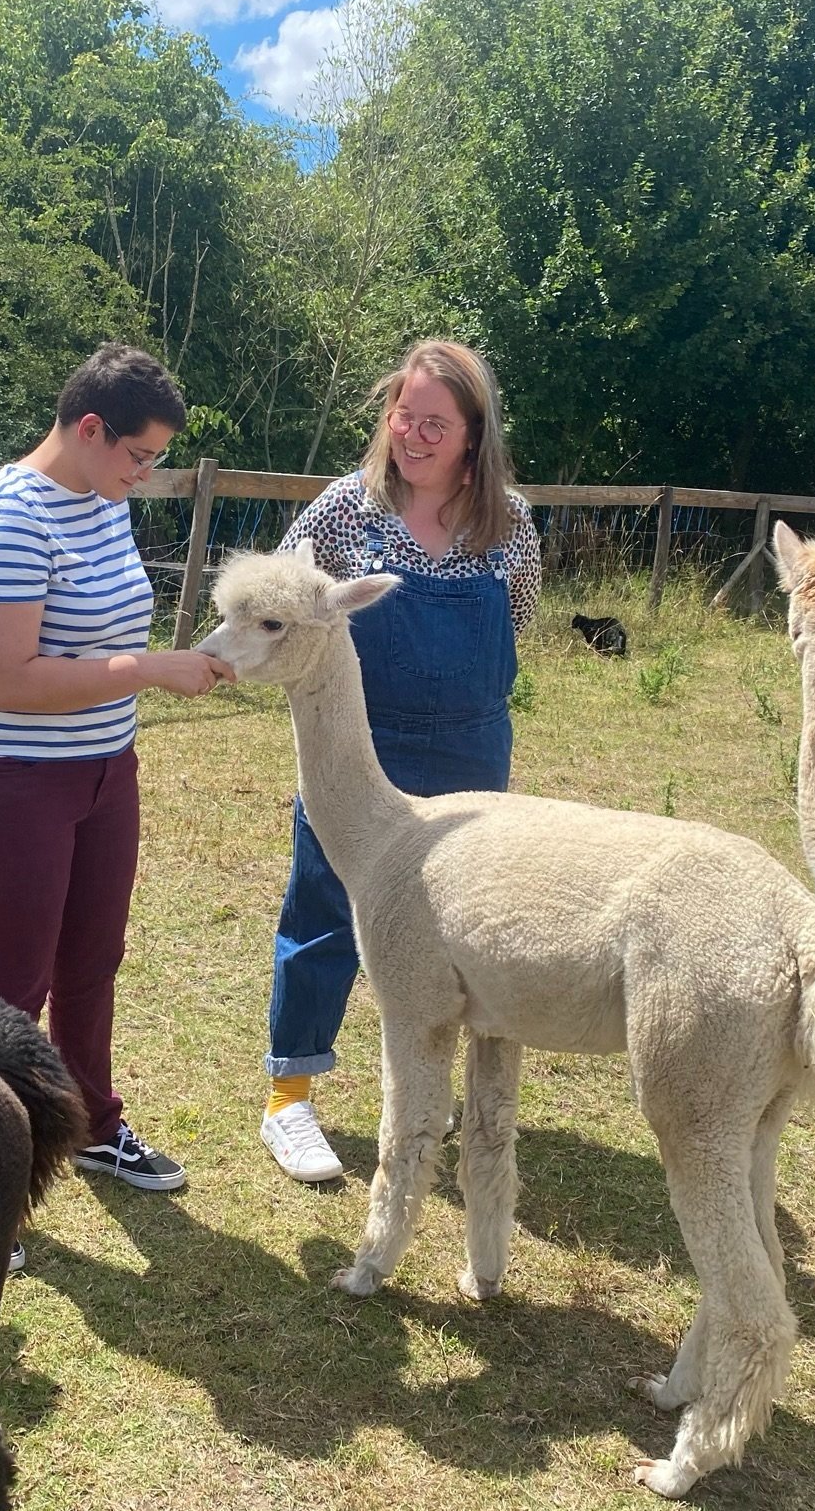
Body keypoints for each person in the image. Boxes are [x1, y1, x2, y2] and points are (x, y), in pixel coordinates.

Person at [0, 343, 233, 1269]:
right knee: (8, 991)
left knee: (92, 960)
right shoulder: (7, 522)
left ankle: (92, 1124)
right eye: (138, 455)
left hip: (101, 771)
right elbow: (13, 681)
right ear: (90, 428)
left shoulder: (100, 502)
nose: (144, 477)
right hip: (6, 780)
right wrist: (149, 667)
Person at [259, 339, 542, 1183]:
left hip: (468, 750)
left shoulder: (509, 522)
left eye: (435, 423)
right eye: (403, 415)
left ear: (471, 435)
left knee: (461, 920)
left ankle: (428, 1091)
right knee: (324, 913)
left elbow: (517, 619)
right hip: (358, 749)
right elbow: (282, 602)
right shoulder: (343, 512)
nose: (413, 435)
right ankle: (290, 1100)